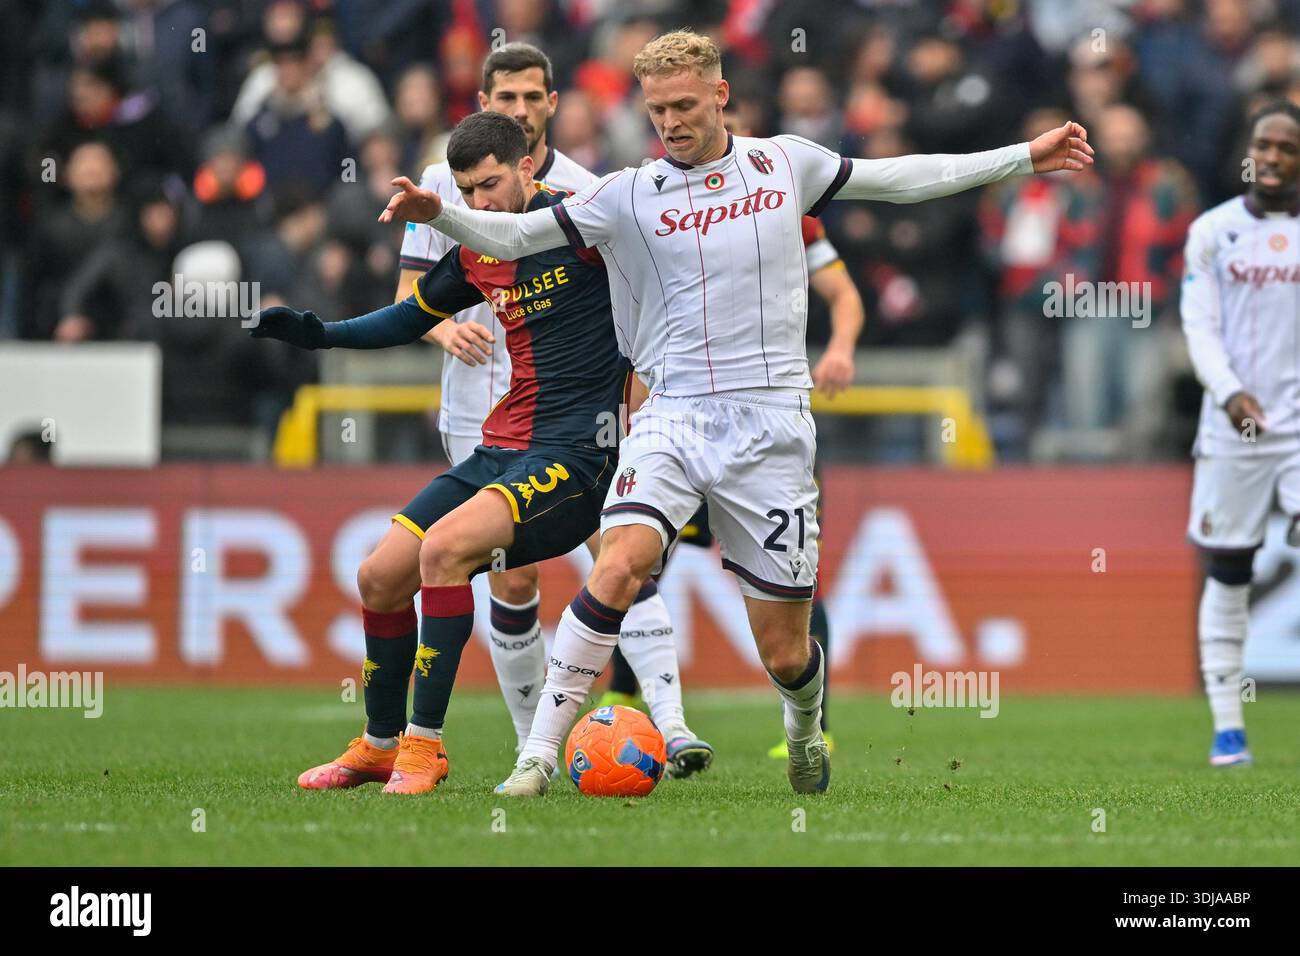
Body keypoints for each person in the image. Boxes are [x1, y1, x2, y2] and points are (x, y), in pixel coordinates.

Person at [380, 30, 1092, 796]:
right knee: (619, 563)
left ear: (720, 95)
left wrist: (1022, 157)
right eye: (657, 109)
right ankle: (537, 758)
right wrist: (444, 217)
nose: (671, 122)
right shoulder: (626, 192)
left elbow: (900, 178)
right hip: (672, 415)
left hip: (772, 427)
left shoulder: (786, 162)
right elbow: (518, 232)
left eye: (685, 105)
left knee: (785, 652)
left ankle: (802, 724)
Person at [253, 111, 636, 794]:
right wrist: (319, 335)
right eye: (466, 192)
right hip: (503, 446)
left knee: (443, 553)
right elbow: (408, 318)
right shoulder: (476, 249)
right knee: (379, 576)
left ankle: (425, 746)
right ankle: (378, 744)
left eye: (489, 185)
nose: (478, 203)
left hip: (578, 457)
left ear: (528, 167)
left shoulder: (588, 228)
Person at [397, 42, 711, 777]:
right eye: (507, 99)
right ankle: (531, 745)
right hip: (480, 412)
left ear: (552, 103)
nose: (522, 111)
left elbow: (624, 307)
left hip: (579, 415)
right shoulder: (441, 186)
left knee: (618, 555)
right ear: (484, 103)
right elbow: (413, 292)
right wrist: (445, 327)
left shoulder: (587, 190)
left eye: (534, 97)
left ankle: (673, 723)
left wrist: (631, 397)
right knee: (510, 578)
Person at [1181, 100, 1300, 767]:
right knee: (1228, 572)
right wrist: (1231, 396)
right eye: (1266, 144)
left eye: (1288, 147)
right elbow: (1199, 326)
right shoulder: (1212, 232)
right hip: (1234, 430)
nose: (1275, 156)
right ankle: (1229, 731)